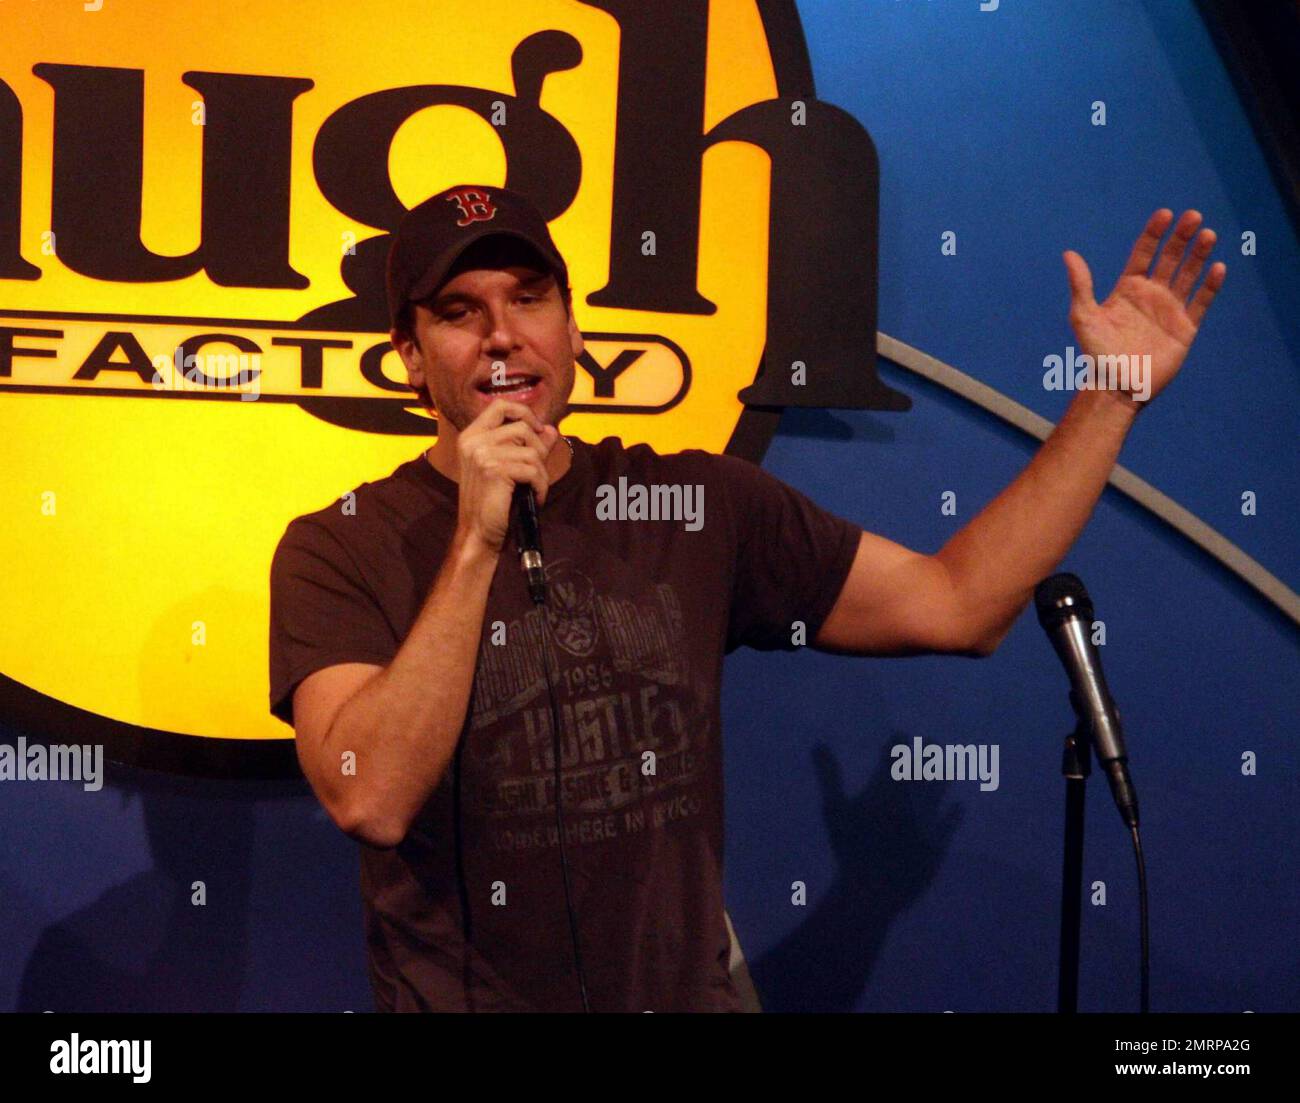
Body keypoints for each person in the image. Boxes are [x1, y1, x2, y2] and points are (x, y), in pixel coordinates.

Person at [268, 183, 1224, 1012]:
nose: (504, 335)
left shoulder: (696, 505)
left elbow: (959, 603)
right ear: (406, 351)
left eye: (530, 298)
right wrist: (476, 539)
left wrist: (1113, 392)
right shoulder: (338, 546)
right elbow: (371, 795)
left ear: (573, 325)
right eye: (459, 311)